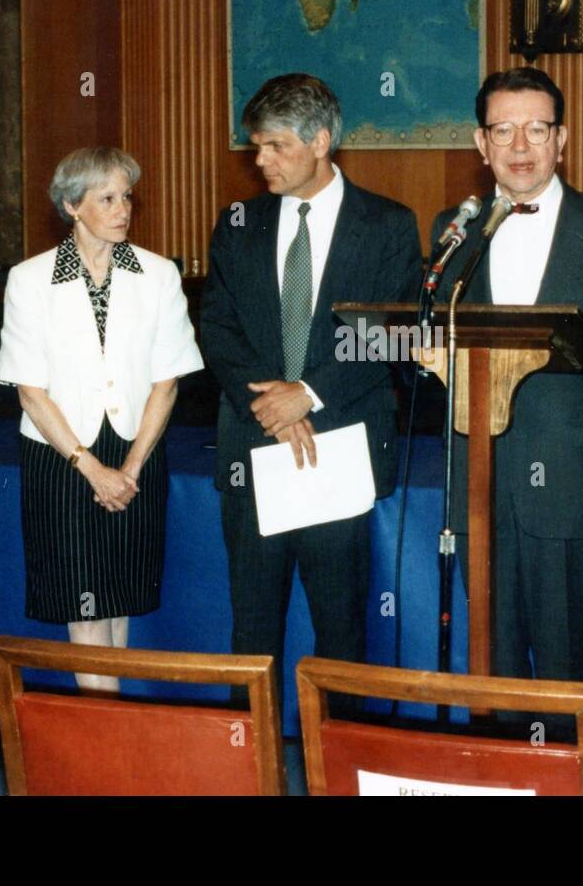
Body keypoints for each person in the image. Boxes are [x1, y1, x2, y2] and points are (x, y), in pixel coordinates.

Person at [430, 66, 583, 693]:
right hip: (478, 485)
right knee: (493, 673)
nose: (519, 147)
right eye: (503, 131)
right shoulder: (452, 232)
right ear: (479, 143)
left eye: (536, 129)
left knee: (565, 676)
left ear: (561, 140)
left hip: (568, 483)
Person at [199, 74, 420, 698]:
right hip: (254, 447)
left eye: (273, 146)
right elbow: (216, 325)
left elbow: (393, 334)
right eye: (256, 147)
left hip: (339, 446)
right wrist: (272, 403)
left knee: (342, 635)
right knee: (253, 631)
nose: (259, 160)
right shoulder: (238, 223)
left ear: (319, 140)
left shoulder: (387, 225)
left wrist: (310, 393)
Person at [0, 147, 203, 691]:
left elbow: (168, 380)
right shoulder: (29, 280)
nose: (123, 208)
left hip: (136, 454)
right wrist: (92, 469)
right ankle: (107, 751)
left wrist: (130, 468)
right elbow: (30, 392)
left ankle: (111, 737)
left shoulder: (158, 276)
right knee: (84, 611)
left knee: (117, 600)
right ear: (71, 205)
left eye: (126, 196)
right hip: (61, 458)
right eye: (106, 198)